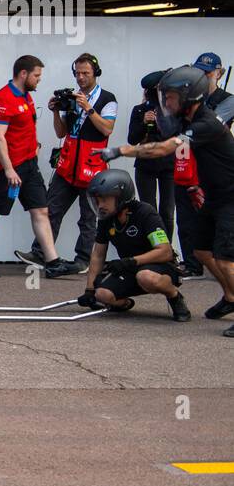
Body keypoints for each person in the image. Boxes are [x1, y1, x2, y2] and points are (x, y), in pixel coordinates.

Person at [99, 66, 234, 336]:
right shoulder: (187, 121)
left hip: (231, 197)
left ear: (189, 97)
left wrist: (119, 151)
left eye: (170, 97)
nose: (166, 102)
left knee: (226, 259)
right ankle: (231, 298)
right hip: (213, 195)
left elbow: (163, 148)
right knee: (201, 252)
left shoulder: (205, 123)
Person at [0, 55, 80, 279]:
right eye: (37, 75)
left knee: (41, 210)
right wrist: (8, 169)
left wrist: (33, 148)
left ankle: (52, 262)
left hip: (29, 165)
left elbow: (23, 129)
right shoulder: (2, 99)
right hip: (7, 169)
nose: (39, 80)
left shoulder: (26, 97)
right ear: (23, 74)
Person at [17, 53, 116, 272]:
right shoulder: (71, 98)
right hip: (68, 162)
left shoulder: (108, 99)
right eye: (77, 73)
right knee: (51, 208)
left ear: (95, 73)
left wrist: (88, 107)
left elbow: (107, 129)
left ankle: (83, 260)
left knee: (88, 216)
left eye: (85, 73)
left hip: (92, 164)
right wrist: (55, 112)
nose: (80, 78)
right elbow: (61, 131)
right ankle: (40, 252)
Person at [77, 169, 189, 321]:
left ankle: (174, 296)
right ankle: (124, 304)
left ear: (120, 197)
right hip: (130, 267)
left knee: (145, 277)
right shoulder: (107, 218)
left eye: (104, 200)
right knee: (102, 294)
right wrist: (89, 290)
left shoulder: (145, 212)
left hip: (160, 266)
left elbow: (165, 252)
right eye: (97, 200)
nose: (100, 205)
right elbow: (98, 254)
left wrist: (131, 261)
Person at [128, 70, 174, 242]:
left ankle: (168, 250)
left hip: (169, 166)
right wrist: (144, 123)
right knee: (149, 210)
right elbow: (132, 139)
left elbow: (174, 136)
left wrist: (160, 120)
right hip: (145, 166)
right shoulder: (140, 110)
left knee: (167, 212)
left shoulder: (172, 110)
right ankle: (153, 248)